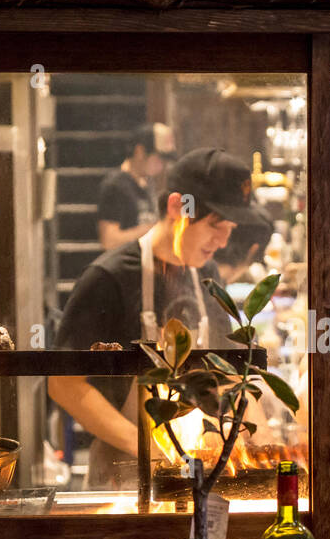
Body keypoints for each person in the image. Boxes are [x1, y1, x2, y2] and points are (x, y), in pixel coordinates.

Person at [51, 147, 272, 488]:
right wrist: (153, 451)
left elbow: (229, 374)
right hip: (125, 475)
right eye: (215, 224)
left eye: (230, 227)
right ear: (176, 207)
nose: (224, 239)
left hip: (198, 473)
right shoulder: (109, 278)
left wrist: (263, 448)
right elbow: (64, 385)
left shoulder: (207, 276)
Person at [96, 122, 177, 250]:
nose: (161, 165)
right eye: (158, 159)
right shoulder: (115, 185)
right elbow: (109, 241)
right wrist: (155, 228)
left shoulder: (147, 183)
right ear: (140, 151)